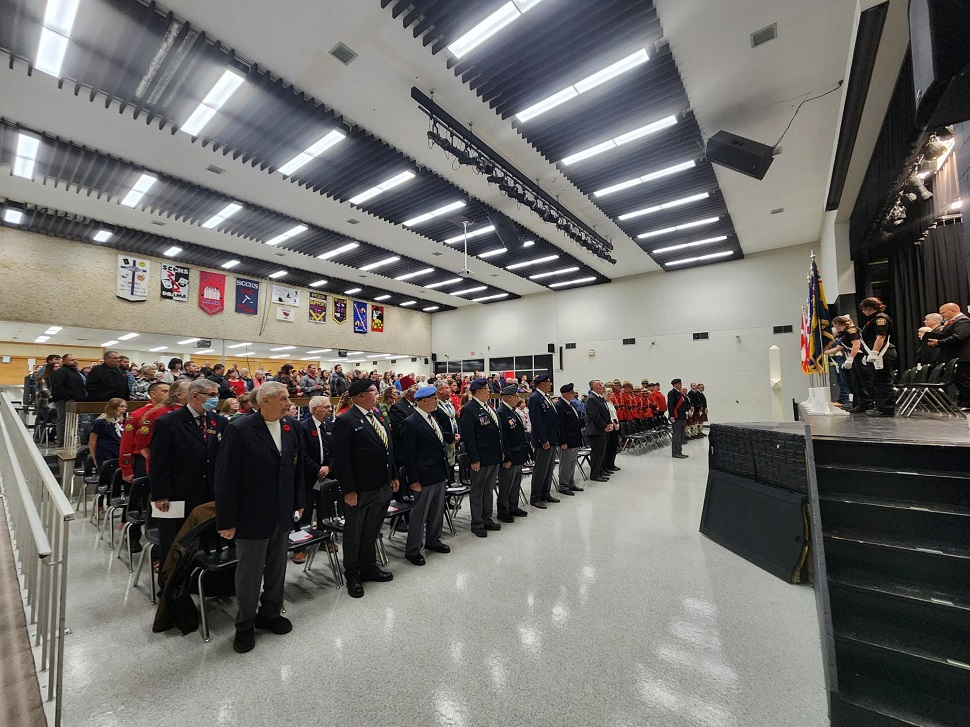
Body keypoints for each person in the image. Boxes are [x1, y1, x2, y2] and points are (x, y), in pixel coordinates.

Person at [215, 382, 305, 654]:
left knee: (277, 568)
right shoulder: (240, 429)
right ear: (264, 400)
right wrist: (227, 520)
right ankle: (244, 624)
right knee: (250, 574)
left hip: (281, 511)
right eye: (283, 398)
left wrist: (299, 503)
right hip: (251, 514)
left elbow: (296, 469)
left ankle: (271, 613)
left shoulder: (290, 427)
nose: (289, 403)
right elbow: (226, 477)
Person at [149, 379, 226, 572]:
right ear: (195, 396)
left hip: (210, 492)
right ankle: (172, 581)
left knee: (206, 539)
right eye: (211, 395)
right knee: (177, 539)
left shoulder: (218, 421)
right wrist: (161, 494)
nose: (215, 400)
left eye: (217, 395)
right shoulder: (168, 422)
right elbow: (159, 462)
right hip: (179, 492)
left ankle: (202, 579)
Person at [330, 379, 398, 598]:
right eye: (372, 391)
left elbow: (388, 448)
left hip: (381, 484)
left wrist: (393, 475)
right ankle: (353, 573)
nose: (377, 393)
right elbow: (341, 459)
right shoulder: (346, 420)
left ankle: (369, 567)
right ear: (360, 396)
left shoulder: (377, 415)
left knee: (372, 529)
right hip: (359, 489)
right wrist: (348, 489)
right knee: (354, 533)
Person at [400, 385, 453, 566]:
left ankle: (433, 540)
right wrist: (413, 480)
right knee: (419, 514)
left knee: (437, 511)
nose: (436, 401)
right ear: (423, 401)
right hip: (423, 475)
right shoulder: (411, 422)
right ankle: (413, 549)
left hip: (438, 472)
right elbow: (409, 455)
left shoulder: (432, 418)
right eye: (433, 399)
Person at [459, 378, 504, 537]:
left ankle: (487, 518)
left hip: (493, 455)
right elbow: (469, 437)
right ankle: (477, 523)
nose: (489, 391)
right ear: (478, 391)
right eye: (486, 389)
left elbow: (497, 432)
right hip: (481, 458)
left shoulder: (488, 406)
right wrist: (474, 459)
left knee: (489, 489)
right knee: (478, 491)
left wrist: (501, 451)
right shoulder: (469, 409)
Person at [294, 396, 333, 564]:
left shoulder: (331, 426)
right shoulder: (303, 427)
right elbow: (302, 454)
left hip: (327, 476)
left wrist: (328, 468)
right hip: (309, 476)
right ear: (314, 409)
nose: (330, 409)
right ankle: (300, 547)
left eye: (330, 407)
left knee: (326, 509)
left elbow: (337, 449)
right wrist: (317, 469)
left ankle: (324, 539)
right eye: (326, 407)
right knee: (305, 512)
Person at [120, 381, 170, 483]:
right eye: (165, 391)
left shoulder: (172, 412)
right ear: (153, 394)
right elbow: (127, 443)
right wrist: (126, 468)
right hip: (142, 459)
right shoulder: (137, 415)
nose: (169, 394)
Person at [857, 297, 897, 417]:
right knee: (876, 381)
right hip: (876, 354)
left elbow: (880, 337)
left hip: (882, 354)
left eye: (864, 309)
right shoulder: (873, 319)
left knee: (882, 382)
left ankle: (887, 409)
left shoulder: (880, 319)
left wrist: (874, 352)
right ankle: (880, 406)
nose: (863, 312)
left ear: (869, 308)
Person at [527, 373, 563, 504]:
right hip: (543, 441)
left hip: (552, 438)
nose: (550, 383)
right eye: (549, 381)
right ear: (542, 383)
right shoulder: (535, 398)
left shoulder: (545, 397)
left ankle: (545, 493)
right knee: (541, 470)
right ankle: (535, 497)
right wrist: (544, 440)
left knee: (549, 468)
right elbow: (536, 421)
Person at [496, 385, 530, 520]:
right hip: (510, 455)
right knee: (506, 485)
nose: (518, 398)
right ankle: (503, 511)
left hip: (518, 452)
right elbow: (503, 438)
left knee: (516, 482)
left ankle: (513, 507)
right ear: (509, 397)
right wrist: (506, 458)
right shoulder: (501, 412)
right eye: (516, 396)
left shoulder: (513, 411)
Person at [927, 302, 970, 408]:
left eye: (943, 313)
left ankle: (967, 402)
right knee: (958, 380)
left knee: (963, 380)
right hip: (954, 356)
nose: (942, 315)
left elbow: (959, 337)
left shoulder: (963, 320)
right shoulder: (953, 322)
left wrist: (939, 342)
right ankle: (963, 401)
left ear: (952, 311)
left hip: (962, 357)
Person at [50, 353, 87, 446]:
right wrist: (67, 398)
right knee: (63, 421)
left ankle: (71, 441)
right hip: (65, 402)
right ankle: (62, 443)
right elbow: (57, 388)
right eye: (72, 360)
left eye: (76, 359)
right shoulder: (60, 372)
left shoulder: (77, 372)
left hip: (77, 401)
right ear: (64, 361)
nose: (75, 361)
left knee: (73, 423)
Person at [556, 383, 584, 496]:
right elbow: (560, 426)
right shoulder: (560, 405)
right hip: (566, 440)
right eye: (572, 392)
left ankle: (571, 482)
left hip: (574, 439)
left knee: (572, 462)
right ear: (566, 394)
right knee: (565, 464)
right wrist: (562, 441)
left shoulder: (570, 404)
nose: (574, 394)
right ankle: (563, 485)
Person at [585, 380, 613, 481]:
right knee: (596, 454)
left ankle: (600, 472)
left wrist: (609, 424)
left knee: (602, 453)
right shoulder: (592, 399)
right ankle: (595, 474)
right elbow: (595, 416)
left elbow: (605, 413)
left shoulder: (599, 398)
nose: (603, 387)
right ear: (594, 387)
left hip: (602, 430)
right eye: (600, 385)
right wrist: (605, 426)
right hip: (595, 430)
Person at [88, 398, 127, 468]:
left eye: (125, 406)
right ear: (113, 407)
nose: (125, 408)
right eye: (122, 406)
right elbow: (92, 441)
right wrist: (94, 457)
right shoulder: (100, 422)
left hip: (118, 450)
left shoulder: (122, 421)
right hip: (105, 452)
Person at [434, 380, 460, 466]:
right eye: (447, 388)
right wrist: (450, 437)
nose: (450, 390)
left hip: (454, 440)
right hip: (444, 440)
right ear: (440, 390)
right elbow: (437, 425)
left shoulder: (448, 404)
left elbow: (456, 420)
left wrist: (458, 433)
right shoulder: (434, 406)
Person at [668, 379, 690, 458]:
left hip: (682, 417)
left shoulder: (680, 393)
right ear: (675, 385)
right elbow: (670, 405)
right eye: (679, 384)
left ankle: (679, 451)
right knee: (676, 436)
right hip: (676, 417)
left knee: (681, 435)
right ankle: (675, 452)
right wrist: (671, 416)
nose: (681, 385)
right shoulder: (672, 393)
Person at [603, 388, 622, 469]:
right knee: (610, 446)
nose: (613, 393)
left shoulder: (610, 402)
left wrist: (617, 423)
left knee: (614, 446)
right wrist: (614, 424)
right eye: (611, 392)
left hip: (615, 423)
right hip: (611, 424)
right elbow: (609, 416)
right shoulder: (605, 403)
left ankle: (612, 463)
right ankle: (608, 464)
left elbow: (615, 414)